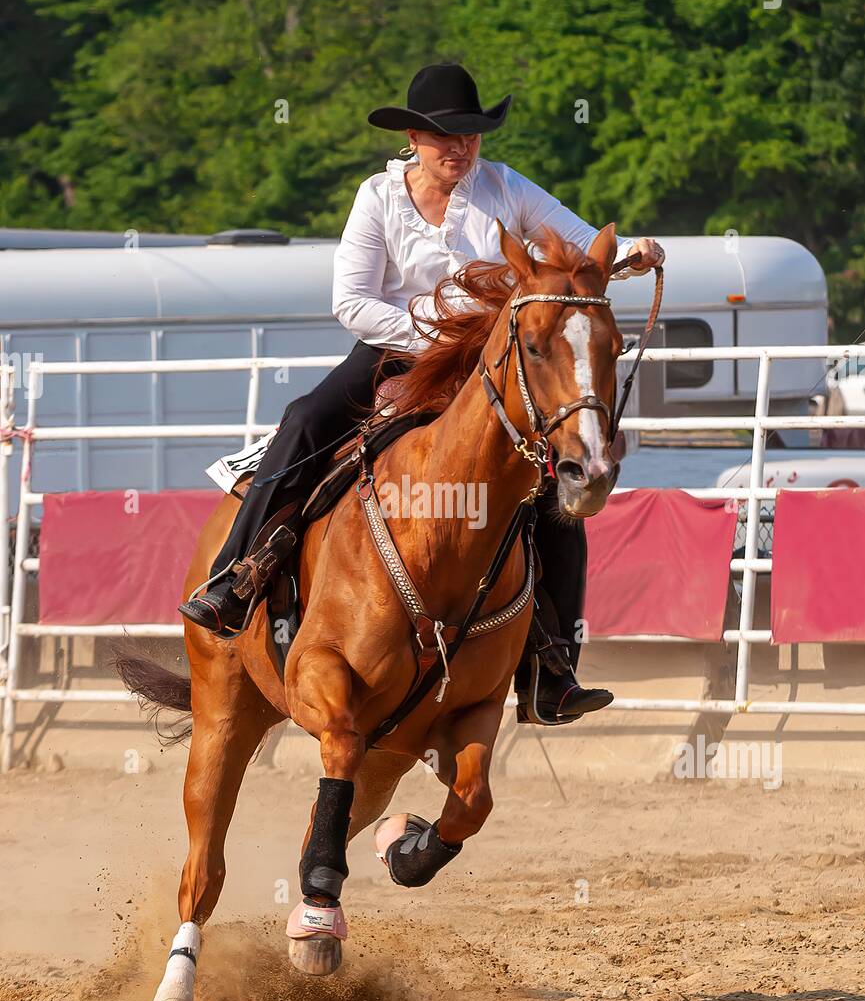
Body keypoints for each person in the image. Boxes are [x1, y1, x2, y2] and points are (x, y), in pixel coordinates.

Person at [179, 63, 664, 724]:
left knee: (551, 492)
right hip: (391, 353)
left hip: (481, 372)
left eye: (469, 135)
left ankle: (553, 669)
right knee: (305, 418)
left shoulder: (504, 187)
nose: (459, 148)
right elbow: (351, 300)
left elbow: (580, 244)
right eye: (444, 137)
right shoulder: (377, 197)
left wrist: (633, 250)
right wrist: (432, 335)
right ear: (414, 137)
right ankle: (238, 576)